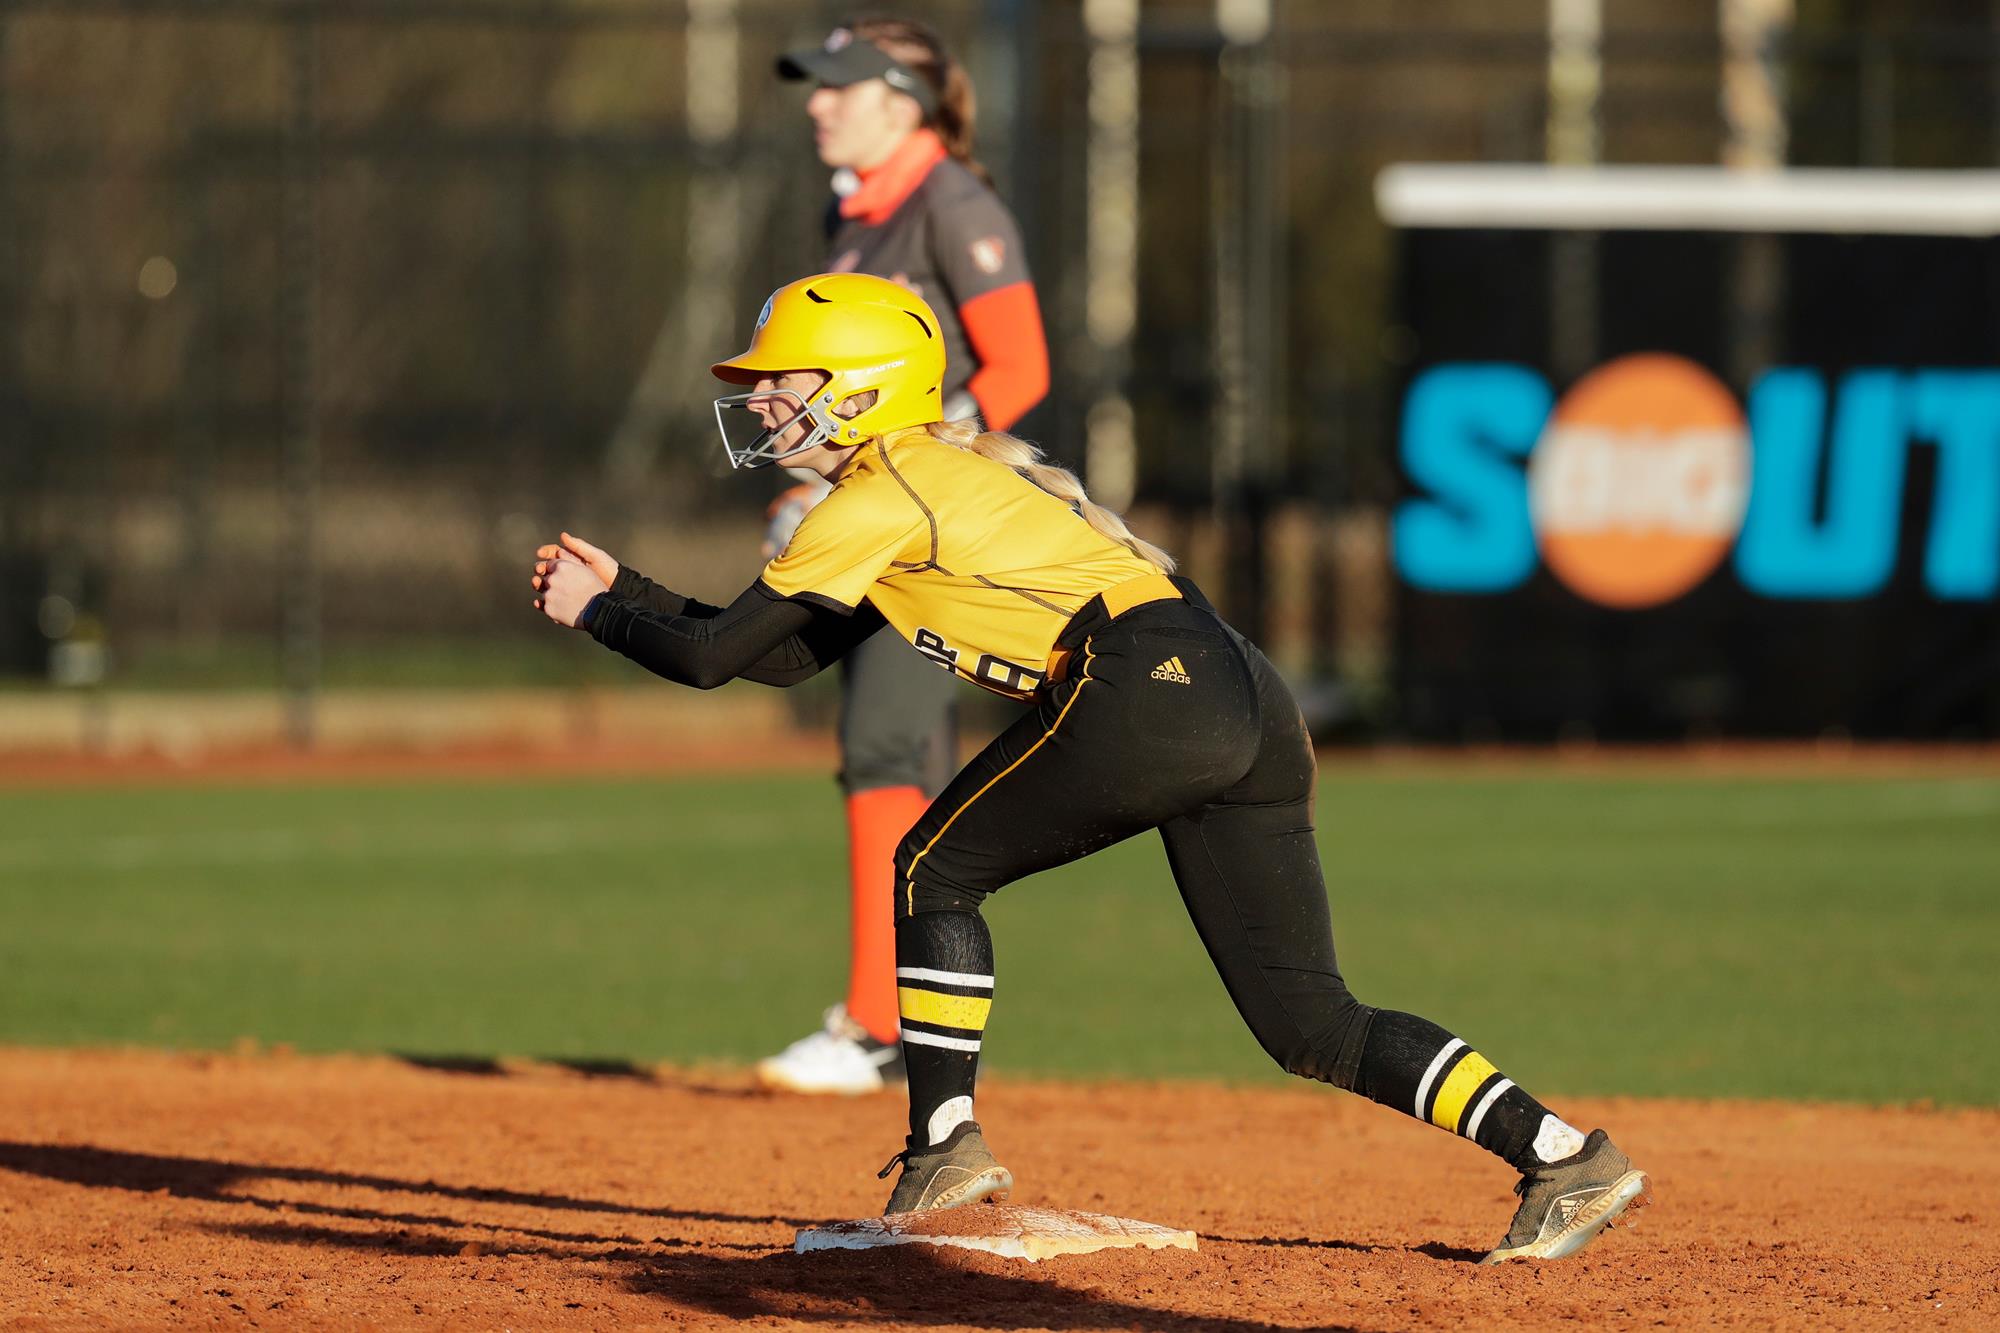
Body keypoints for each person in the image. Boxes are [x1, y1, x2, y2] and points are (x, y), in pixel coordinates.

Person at [531, 274, 1650, 1263]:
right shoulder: (920, 481)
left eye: (786, 379)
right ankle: (1560, 1153)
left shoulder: (880, 490)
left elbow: (710, 661)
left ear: (863, 387)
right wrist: (627, 587)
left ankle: (940, 1145)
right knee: (1308, 1020)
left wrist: (597, 616)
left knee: (930, 865)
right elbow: (777, 659)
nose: (765, 402)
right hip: (1236, 689)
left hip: (1147, 678)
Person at [754, 17, 1051, 1095]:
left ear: (901, 102)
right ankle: (904, 1031)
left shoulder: (950, 202)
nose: (816, 103)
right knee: (894, 754)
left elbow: (1017, 368)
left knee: (884, 742)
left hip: (943, 531)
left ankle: (879, 1026)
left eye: (838, 87)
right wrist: (817, 483)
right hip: (895, 522)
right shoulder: (856, 207)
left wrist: (909, 472)